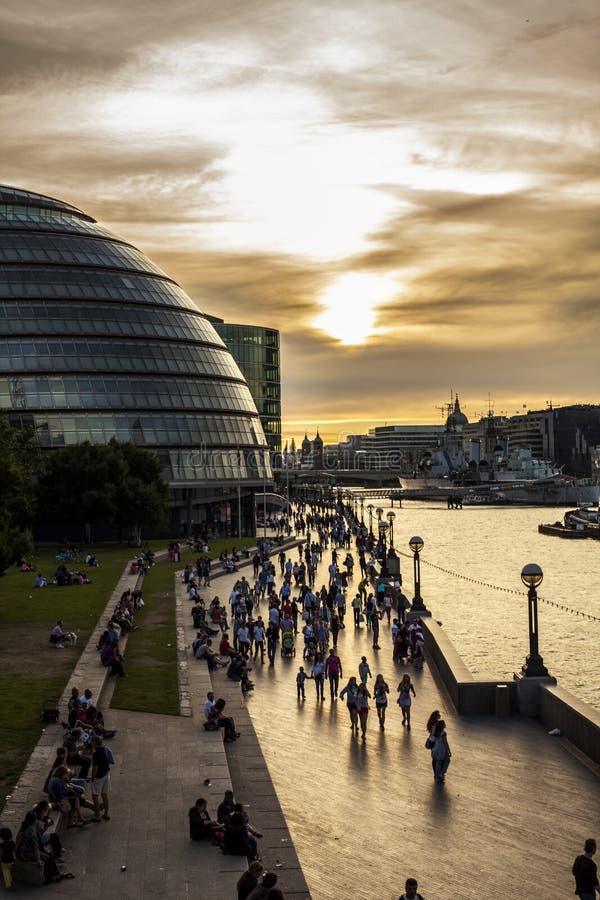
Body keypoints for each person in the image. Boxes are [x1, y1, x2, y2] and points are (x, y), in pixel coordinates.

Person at [91, 735, 114, 821]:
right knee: (104, 795)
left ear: (95, 744)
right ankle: (106, 813)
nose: (92, 744)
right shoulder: (106, 749)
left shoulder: (96, 754)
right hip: (106, 774)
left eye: (92, 743)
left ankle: (97, 816)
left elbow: (94, 768)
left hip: (98, 777)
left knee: (95, 796)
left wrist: (93, 777)